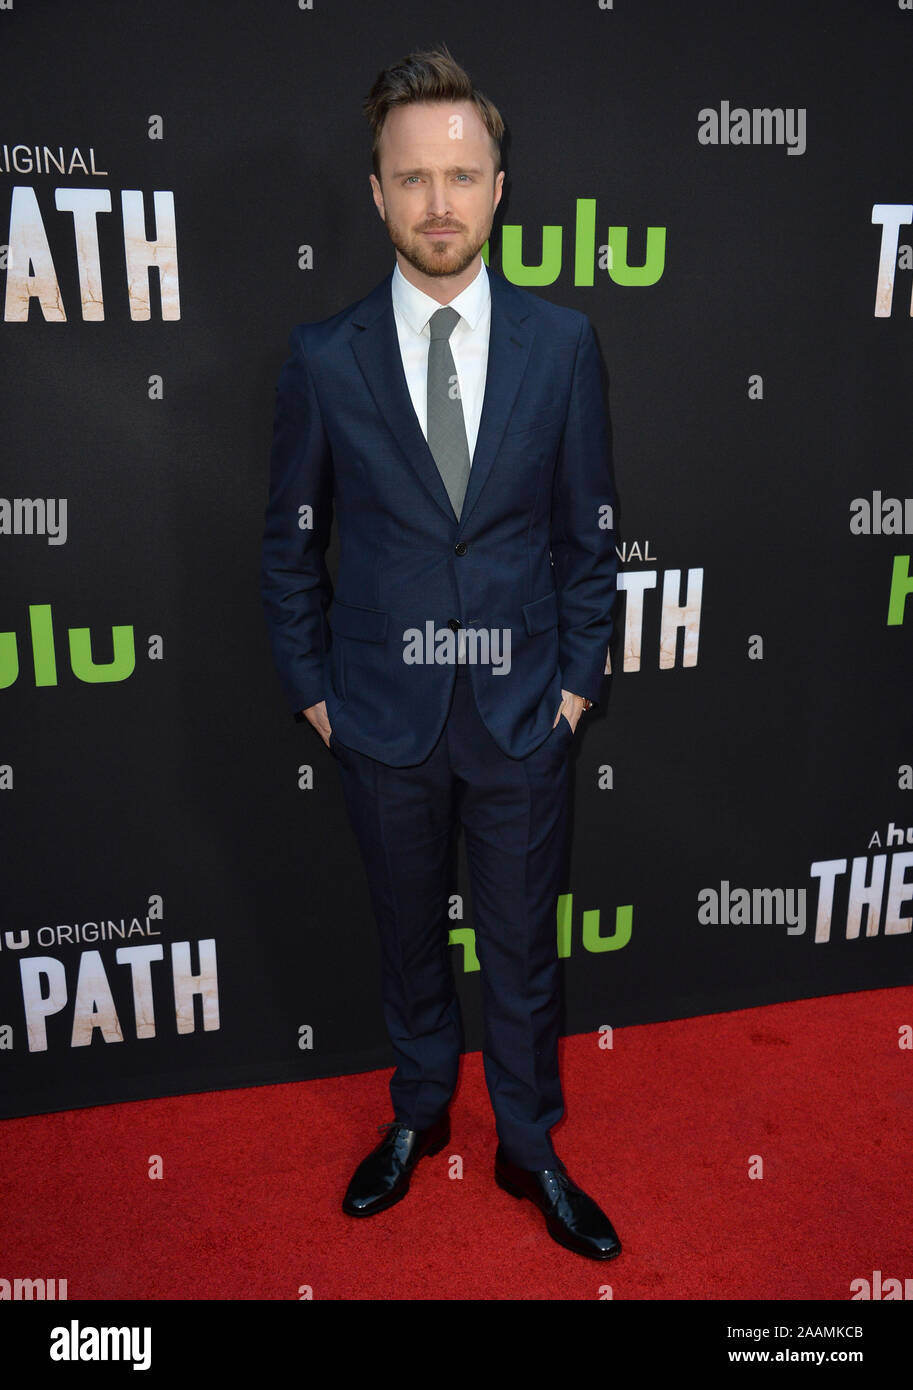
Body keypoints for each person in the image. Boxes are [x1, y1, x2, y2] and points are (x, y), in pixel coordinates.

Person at [261, 44, 621, 1260]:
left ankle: (529, 1143)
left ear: (500, 185)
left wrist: (577, 685)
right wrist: (316, 695)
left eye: (460, 175)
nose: (437, 204)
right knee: (407, 935)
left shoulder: (563, 345)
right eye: (411, 178)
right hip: (380, 717)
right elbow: (288, 542)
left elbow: (588, 535)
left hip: (525, 713)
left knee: (525, 950)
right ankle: (418, 1115)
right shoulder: (323, 357)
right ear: (375, 192)